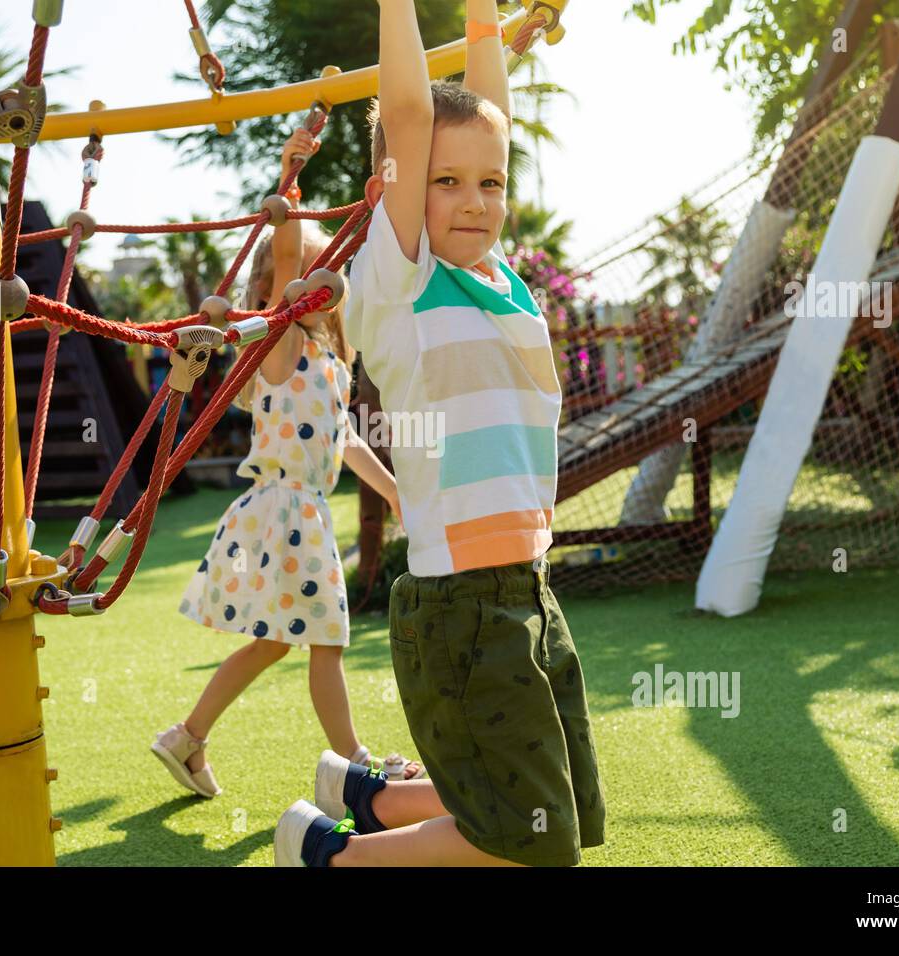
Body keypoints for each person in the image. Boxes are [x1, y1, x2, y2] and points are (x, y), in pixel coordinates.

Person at [273, 0, 606, 867]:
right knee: (537, 843)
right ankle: (330, 856)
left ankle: (364, 796)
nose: (474, 200)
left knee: (566, 800)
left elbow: (486, 113)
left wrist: (486, 18)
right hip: (462, 602)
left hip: (524, 585)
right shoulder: (401, 281)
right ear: (397, 188)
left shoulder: (498, 277)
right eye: (445, 181)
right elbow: (415, 114)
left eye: (489, 182)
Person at [151, 127, 423, 799]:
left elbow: (344, 442)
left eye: (321, 270)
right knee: (326, 636)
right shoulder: (278, 347)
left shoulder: (327, 361)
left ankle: (186, 738)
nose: (314, 276)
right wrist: (289, 174)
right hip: (282, 510)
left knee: (279, 641)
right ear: (278, 290)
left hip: (299, 511)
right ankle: (355, 764)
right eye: (296, 270)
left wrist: (392, 493)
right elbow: (285, 249)